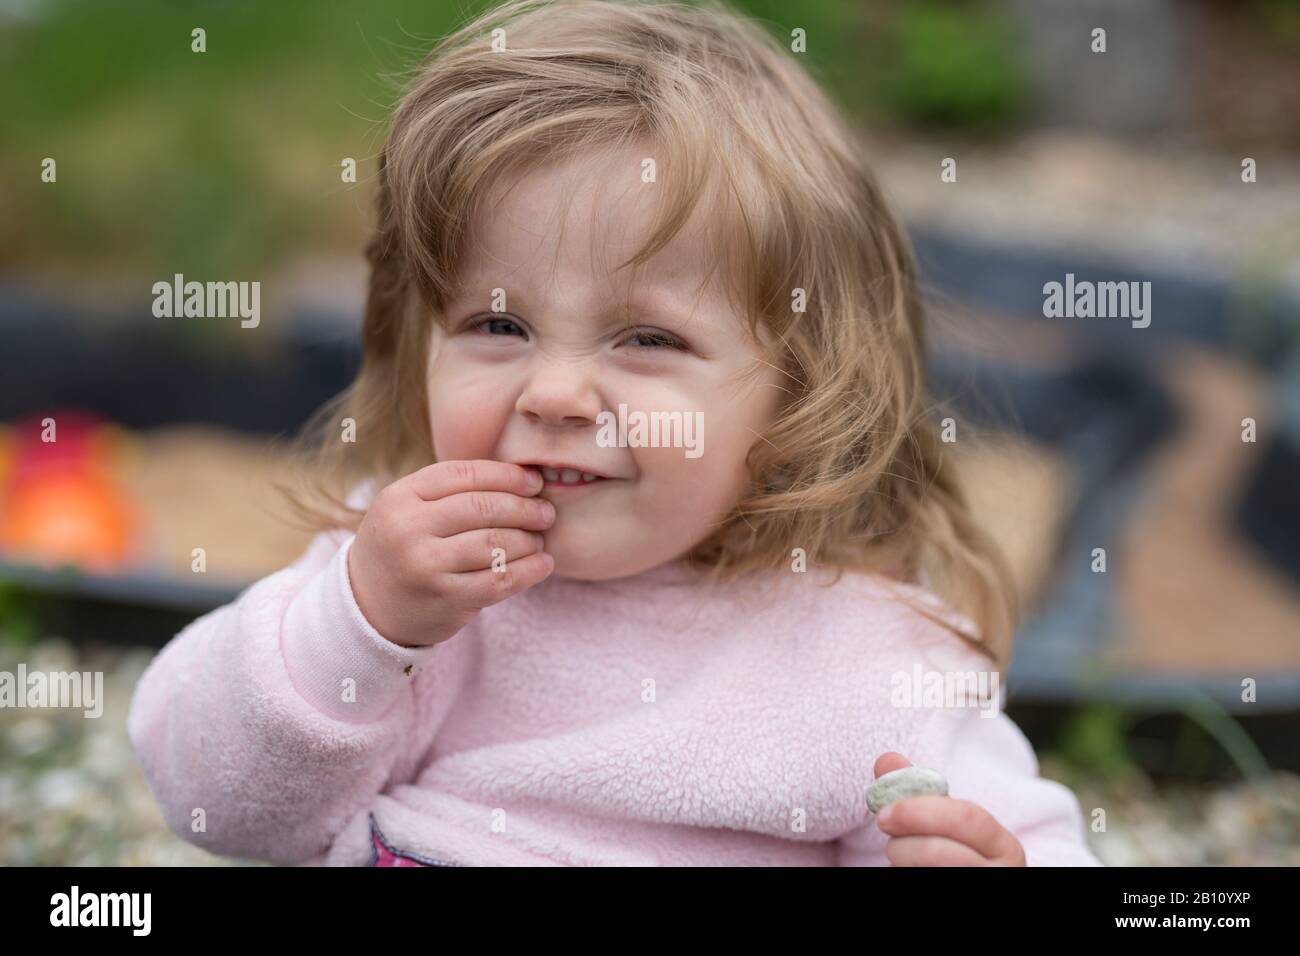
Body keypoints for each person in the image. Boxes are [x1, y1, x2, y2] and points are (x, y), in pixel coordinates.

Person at [128, 0, 1101, 867]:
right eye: (496, 325)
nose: (553, 391)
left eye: (647, 338)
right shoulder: (405, 577)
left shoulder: (865, 648)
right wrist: (357, 624)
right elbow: (214, 800)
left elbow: (1028, 835)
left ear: (801, 391)